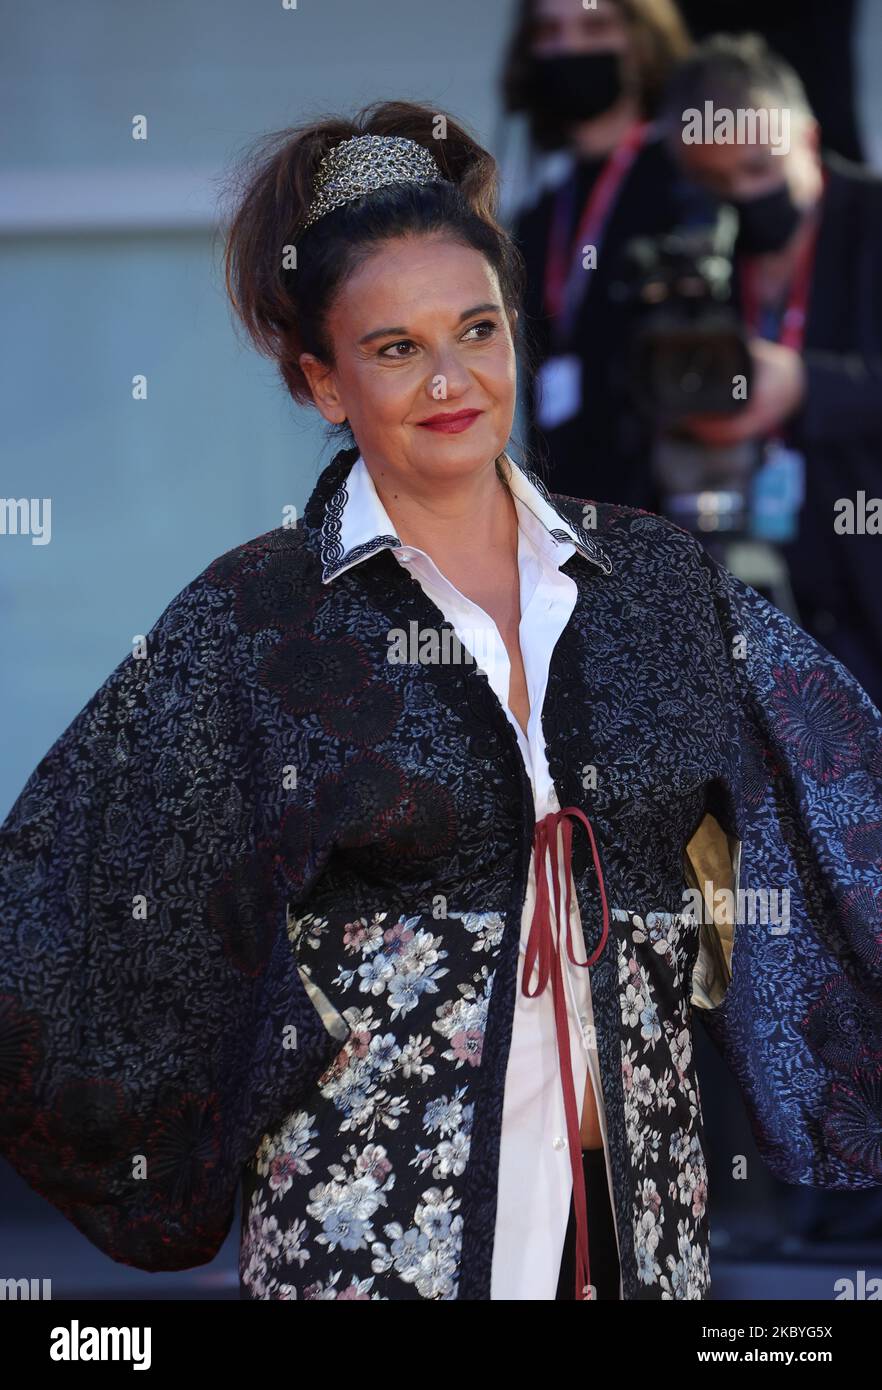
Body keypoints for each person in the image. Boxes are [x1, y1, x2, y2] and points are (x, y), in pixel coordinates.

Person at [1, 100, 880, 1303]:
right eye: (396, 347)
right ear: (322, 381)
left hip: (641, 1231)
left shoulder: (656, 585)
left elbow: (843, 801)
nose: (453, 378)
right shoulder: (259, 621)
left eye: (478, 328)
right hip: (370, 1235)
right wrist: (279, 1034)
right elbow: (60, 907)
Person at [661, 33, 882, 714]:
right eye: (716, 182)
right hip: (745, 596)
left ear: (808, 140)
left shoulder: (873, 223)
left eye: (761, 169)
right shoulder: (684, 255)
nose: (743, 196)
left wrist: (806, 386)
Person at [501, 0, 714, 509]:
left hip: (677, 506)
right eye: (549, 31)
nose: (570, 48)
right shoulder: (542, 212)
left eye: (595, 26)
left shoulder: (692, 184)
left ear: (643, 43)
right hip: (569, 508)